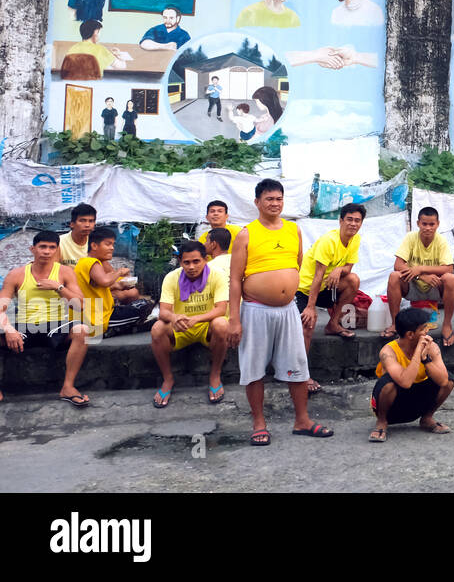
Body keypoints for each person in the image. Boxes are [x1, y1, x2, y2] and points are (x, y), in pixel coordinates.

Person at [228, 178, 331, 444]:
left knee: (298, 365)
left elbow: (295, 264)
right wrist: (234, 320)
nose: (275, 203)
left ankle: (302, 420)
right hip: (255, 310)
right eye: (269, 199)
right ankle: (259, 423)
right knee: (253, 369)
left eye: (278, 198)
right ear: (257, 202)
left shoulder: (293, 230)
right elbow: (235, 280)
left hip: (288, 310)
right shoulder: (245, 234)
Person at [0, 231, 90, 406]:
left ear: (57, 250)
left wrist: (58, 287)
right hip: (25, 327)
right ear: (33, 249)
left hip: (55, 326)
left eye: (51, 248)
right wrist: (9, 329)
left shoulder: (64, 272)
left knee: (82, 330)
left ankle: (68, 387)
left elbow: (79, 305)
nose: (47, 251)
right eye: (42, 247)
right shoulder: (17, 274)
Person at [150, 240, 230, 407]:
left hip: (205, 326)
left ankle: (215, 376)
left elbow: (221, 309)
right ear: (180, 262)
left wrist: (196, 319)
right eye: (186, 262)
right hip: (180, 327)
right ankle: (168, 379)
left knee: (221, 325)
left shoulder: (217, 275)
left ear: (205, 260)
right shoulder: (172, 277)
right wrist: (174, 318)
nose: (191, 267)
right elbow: (163, 311)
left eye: (196, 261)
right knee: (157, 329)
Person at [297, 203, 366, 393]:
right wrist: (311, 307)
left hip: (326, 287)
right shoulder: (329, 240)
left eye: (357, 220)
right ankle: (302, 375)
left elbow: (349, 268)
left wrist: (339, 269)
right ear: (341, 220)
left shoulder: (355, 239)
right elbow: (317, 276)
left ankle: (333, 324)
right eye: (349, 219)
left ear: (361, 223)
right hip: (304, 289)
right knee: (308, 325)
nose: (353, 224)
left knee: (353, 281)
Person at [370, 308, 454, 441]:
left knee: (449, 379)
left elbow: (444, 382)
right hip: (395, 403)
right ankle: (382, 422)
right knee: (387, 383)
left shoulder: (431, 347)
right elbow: (405, 382)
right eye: (423, 329)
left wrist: (425, 359)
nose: (427, 332)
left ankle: (427, 418)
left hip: (419, 397)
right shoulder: (388, 351)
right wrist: (418, 353)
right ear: (410, 334)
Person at [385, 206, 454, 347]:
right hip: (413, 285)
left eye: (432, 224)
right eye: (424, 224)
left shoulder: (441, 240)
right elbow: (398, 264)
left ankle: (447, 325)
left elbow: (449, 268)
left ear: (437, 224)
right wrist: (421, 276)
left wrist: (421, 269)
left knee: (450, 279)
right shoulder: (411, 237)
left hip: (435, 286)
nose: (428, 228)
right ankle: (395, 324)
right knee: (394, 276)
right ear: (418, 223)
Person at [73, 226, 149, 338]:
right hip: (98, 320)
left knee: (140, 304)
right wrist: (119, 272)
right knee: (144, 306)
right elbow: (104, 281)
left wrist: (120, 285)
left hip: (102, 314)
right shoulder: (91, 262)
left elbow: (100, 285)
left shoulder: (88, 262)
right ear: (94, 246)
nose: (112, 248)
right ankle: (113, 329)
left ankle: (124, 326)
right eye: (108, 244)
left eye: (113, 244)